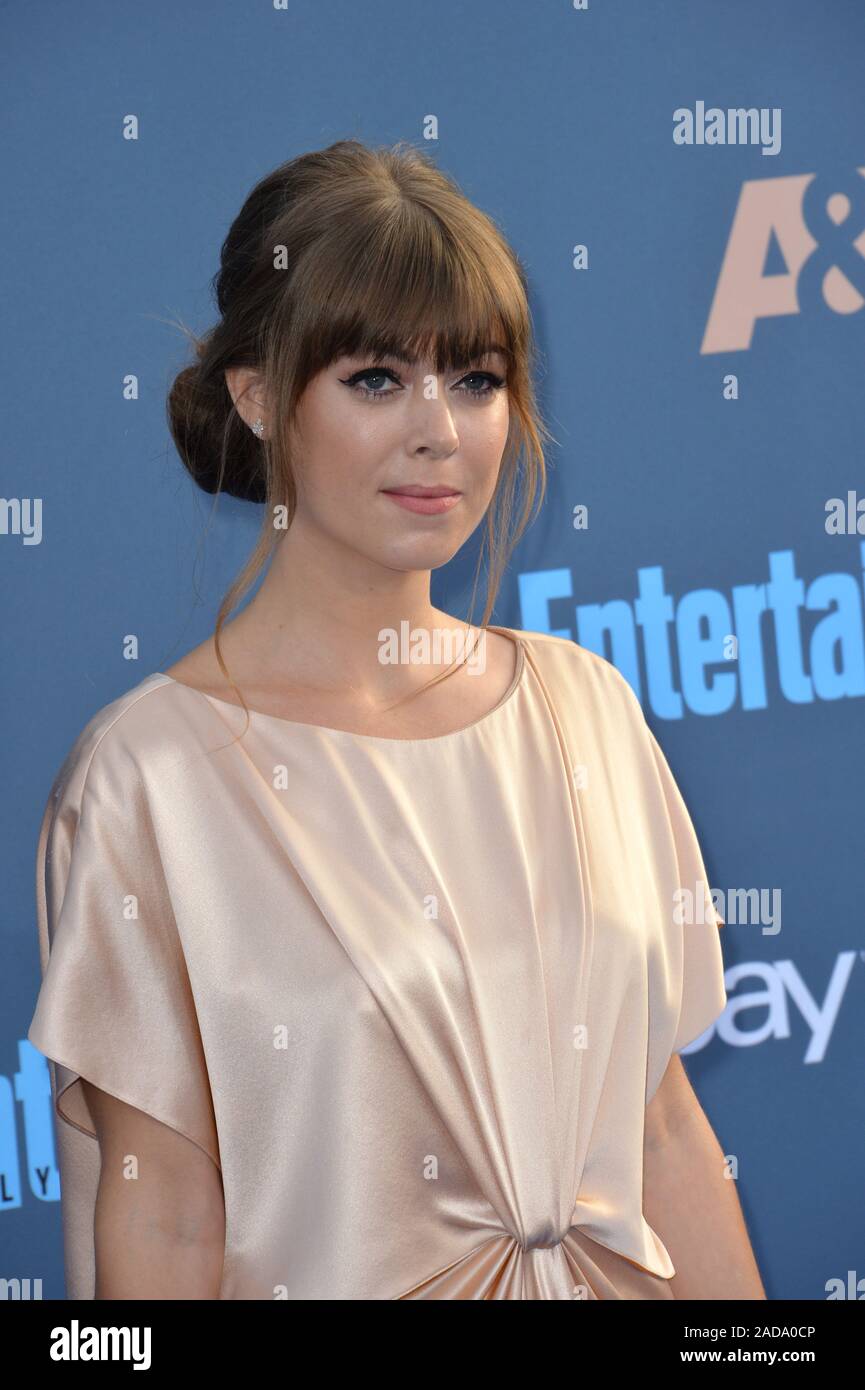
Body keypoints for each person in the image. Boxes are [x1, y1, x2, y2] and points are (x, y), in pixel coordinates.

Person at [28, 138, 765, 1300]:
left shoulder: (587, 710)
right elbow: (163, 1222)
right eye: (375, 379)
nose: (441, 431)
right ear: (260, 396)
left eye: (475, 379)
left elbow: (664, 1132)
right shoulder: (148, 779)